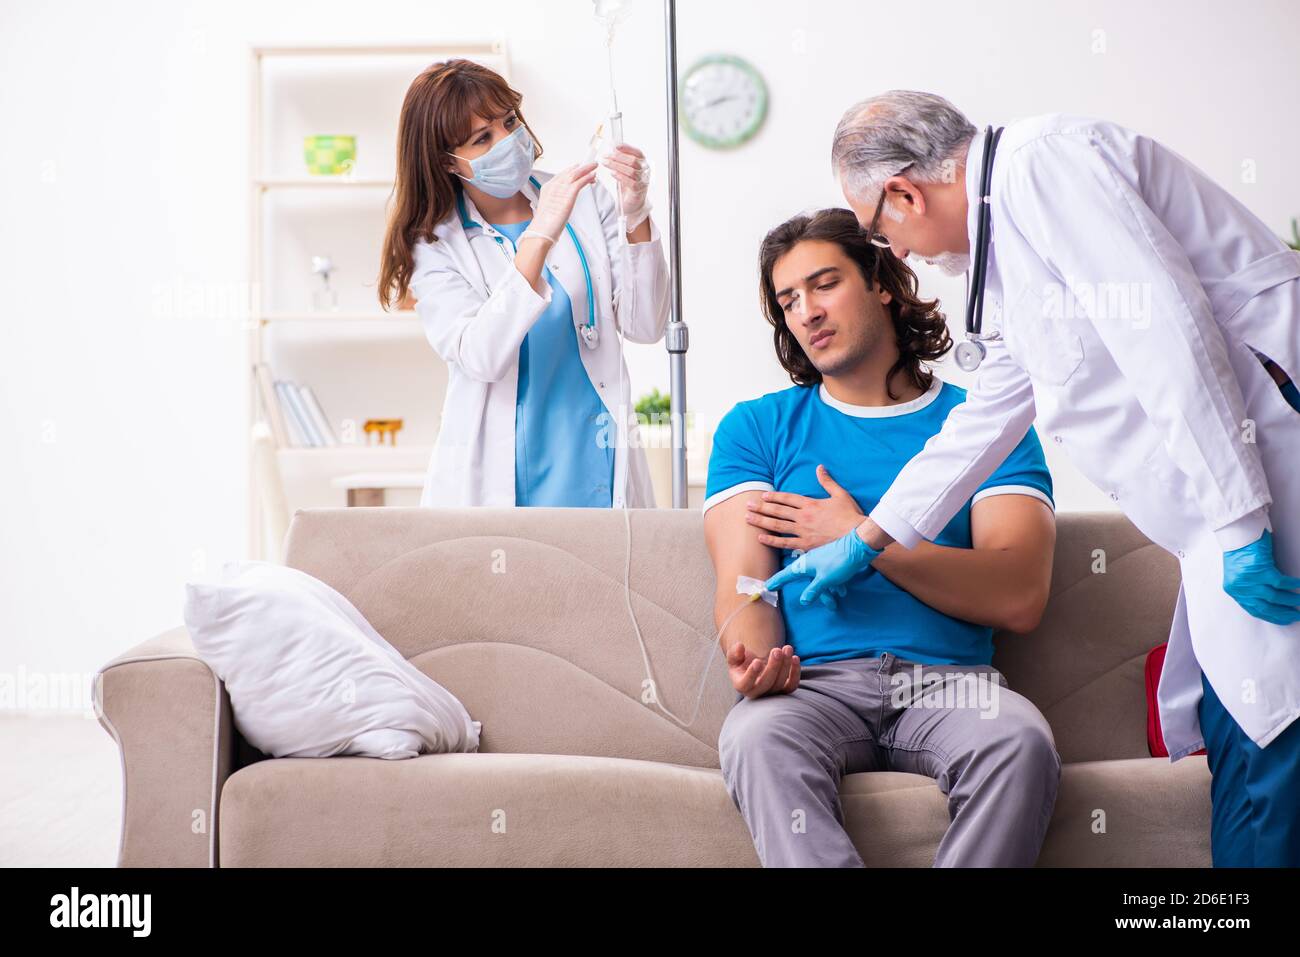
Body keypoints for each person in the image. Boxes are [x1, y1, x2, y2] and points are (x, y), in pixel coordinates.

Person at [779, 90, 1300, 866]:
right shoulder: (1006, 257)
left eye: (882, 232)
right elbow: (985, 418)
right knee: (1244, 733)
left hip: (1268, 471)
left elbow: (1171, 341)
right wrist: (870, 536)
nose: (902, 252)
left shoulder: (1045, 166)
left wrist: (1241, 527)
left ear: (905, 193)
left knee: (1274, 740)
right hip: (1225, 510)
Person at [706, 208, 1060, 867]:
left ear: (882, 284)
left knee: (1019, 740)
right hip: (810, 686)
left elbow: (1018, 595)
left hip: (951, 683)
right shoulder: (757, 428)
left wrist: (862, 538)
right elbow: (745, 584)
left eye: (824, 284)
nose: (806, 311)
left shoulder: (984, 422)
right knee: (755, 738)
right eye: (788, 300)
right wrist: (753, 658)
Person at [378, 58, 670, 508]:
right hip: (499, 476)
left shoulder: (586, 200)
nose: (508, 140)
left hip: (595, 457)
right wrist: (541, 232)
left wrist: (635, 213)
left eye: (509, 121)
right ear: (447, 161)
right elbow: (482, 356)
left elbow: (646, 325)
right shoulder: (436, 243)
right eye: (483, 138)